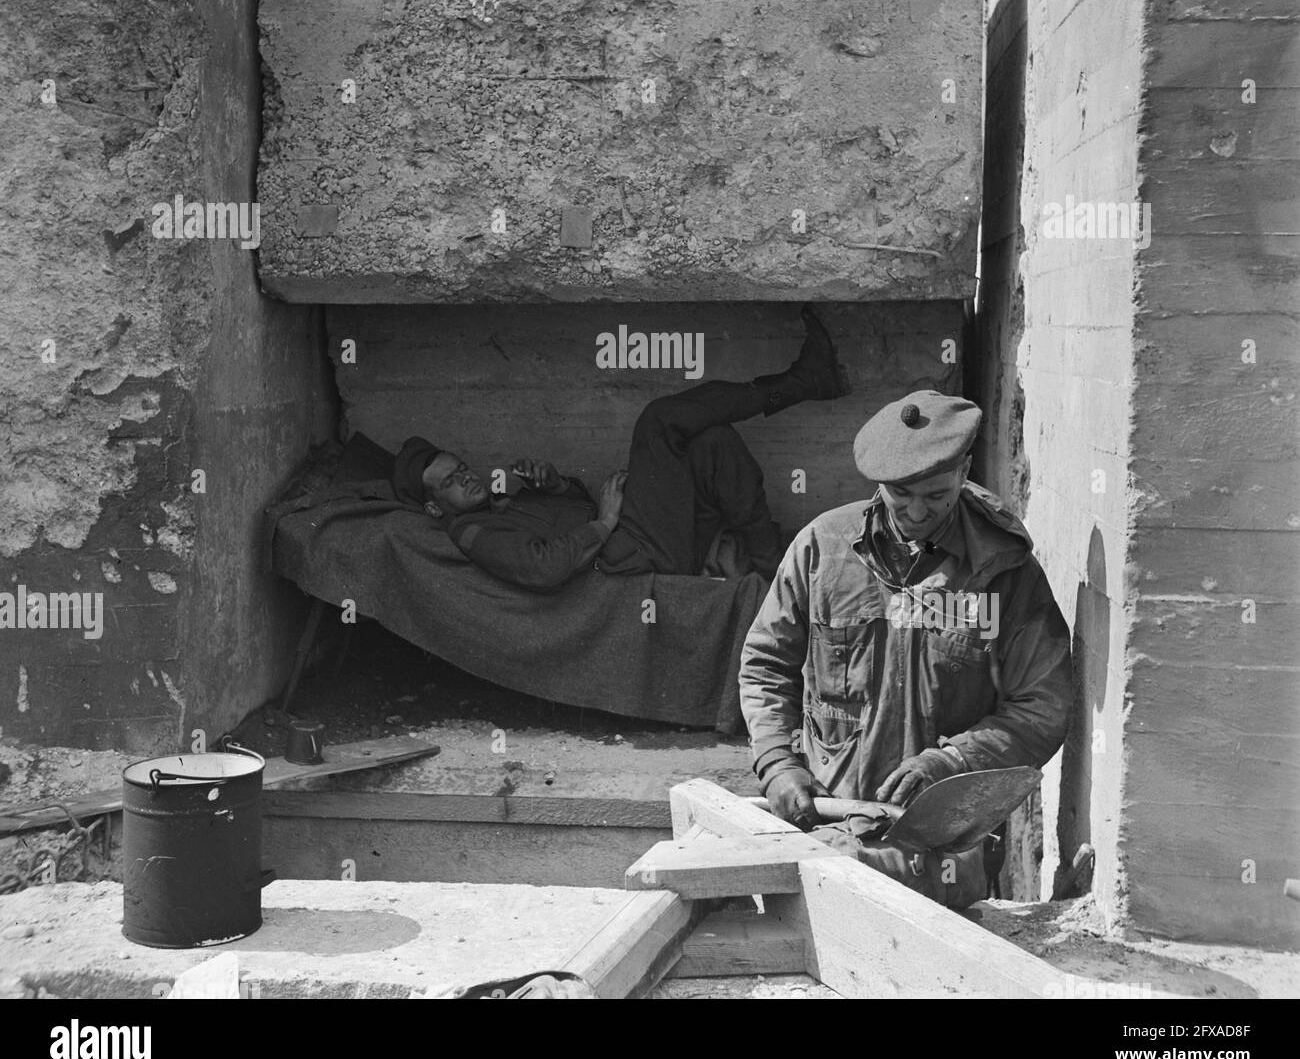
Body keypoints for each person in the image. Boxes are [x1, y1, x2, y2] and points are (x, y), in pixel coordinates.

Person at [738, 389, 1072, 908]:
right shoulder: (823, 547)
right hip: (827, 820)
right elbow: (765, 663)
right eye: (900, 494)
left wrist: (949, 763)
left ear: (963, 471)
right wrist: (779, 762)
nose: (916, 512)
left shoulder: (1007, 574)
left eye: (936, 495)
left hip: (941, 847)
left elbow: (1043, 707)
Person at [388, 306, 850, 592]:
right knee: (659, 421)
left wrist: (555, 485)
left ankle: (773, 570)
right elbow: (545, 569)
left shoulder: (500, 501)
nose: (467, 477)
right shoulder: (470, 533)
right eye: (450, 482)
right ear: (433, 509)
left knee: (711, 442)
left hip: (643, 535)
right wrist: (604, 522)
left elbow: (572, 509)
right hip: (636, 552)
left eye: (461, 467)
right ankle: (799, 384)